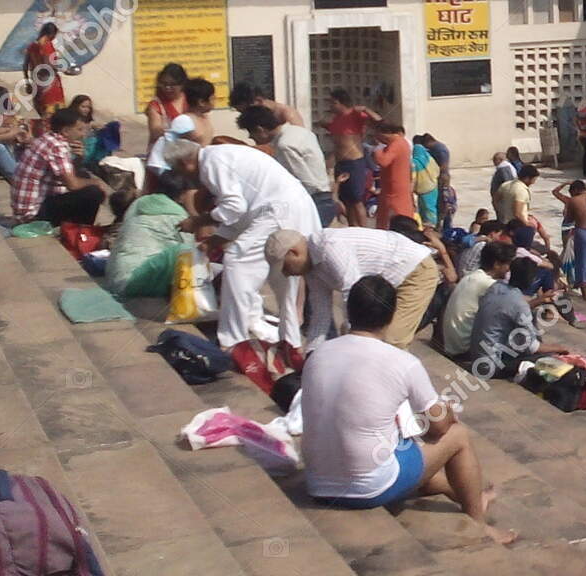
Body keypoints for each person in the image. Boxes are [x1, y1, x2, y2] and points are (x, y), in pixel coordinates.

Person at [299, 275, 515, 544]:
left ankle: (470, 495)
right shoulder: (402, 361)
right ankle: (480, 525)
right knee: (457, 436)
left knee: (408, 451)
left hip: (318, 482)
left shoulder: (318, 353)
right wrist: (446, 411)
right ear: (391, 316)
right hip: (366, 487)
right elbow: (438, 426)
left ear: (348, 311)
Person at [164, 140, 321, 393]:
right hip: (287, 209)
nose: (186, 179)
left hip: (278, 211)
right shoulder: (220, 156)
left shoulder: (211, 162)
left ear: (186, 163)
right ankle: (290, 342)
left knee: (237, 260)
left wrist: (199, 220)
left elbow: (234, 206)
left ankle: (233, 340)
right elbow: (243, 212)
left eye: (181, 172)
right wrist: (215, 239)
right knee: (284, 278)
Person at [267, 226, 435, 352]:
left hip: (414, 270)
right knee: (365, 340)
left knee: (389, 341)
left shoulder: (328, 247)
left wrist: (352, 340)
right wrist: (312, 354)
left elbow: (354, 291)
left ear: (294, 252)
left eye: (285, 267)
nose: (287, 274)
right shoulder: (312, 271)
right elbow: (321, 315)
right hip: (382, 285)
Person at [237, 105, 336, 227]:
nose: (250, 137)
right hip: (323, 197)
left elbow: (305, 182)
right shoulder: (298, 131)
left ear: (260, 129)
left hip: (314, 202)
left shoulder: (284, 145)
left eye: (250, 132)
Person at [11, 108, 109, 225]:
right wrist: (96, 182)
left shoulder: (47, 138)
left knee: (83, 176)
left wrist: (79, 158)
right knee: (93, 193)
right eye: (79, 130)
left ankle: (76, 226)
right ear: (66, 131)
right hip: (33, 215)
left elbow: (69, 174)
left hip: (28, 206)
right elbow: (73, 184)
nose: (82, 134)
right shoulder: (57, 146)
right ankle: (81, 230)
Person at [439, 241, 516, 358]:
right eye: (508, 265)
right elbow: (515, 310)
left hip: (452, 343)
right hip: (464, 349)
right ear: (497, 264)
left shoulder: (471, 276)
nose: (509, 270)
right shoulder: (488, 284)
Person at [324, 90, 380, 228]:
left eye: (333, 102)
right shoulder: (336, 119)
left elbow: (379, 121)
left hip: (354, 162)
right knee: (346, 200)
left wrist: (366, 109)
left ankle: (363, 228)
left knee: (356, 199)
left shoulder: (354, 115)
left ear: (340, 102)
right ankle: (352, 227)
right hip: (340, 163)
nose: (330, 105)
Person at [553, 179, 586, 303]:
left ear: (576, 190)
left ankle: (585, 296)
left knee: (582, 263)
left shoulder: (573, 201)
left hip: (581, 232)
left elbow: (569, 218)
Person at [371, 124, 414, 229]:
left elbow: (383, 161)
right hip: (392, 188)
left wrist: (377, 150)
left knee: (397, 219)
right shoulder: (401, 143)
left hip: (394, 190)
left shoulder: (396, 144)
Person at [23, 23, 66, 117]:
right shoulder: (47, 44)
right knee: (53, 113)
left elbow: (25, 65)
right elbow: (48, 65)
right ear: (52, 34)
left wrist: (27, 82)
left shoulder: (32, 46)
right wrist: (63, 69)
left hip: (36, 82)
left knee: (41, 110)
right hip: (49, 83)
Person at [145, 63, 189, 148]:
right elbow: (155, 131)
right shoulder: (156, 105)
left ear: (182, 84)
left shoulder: (191, 99)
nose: (168, 88)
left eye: (172, 85)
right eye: (164, 84)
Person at [227, 82, 304, 127]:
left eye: (246, 111)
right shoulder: (258, 118)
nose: (246, 115)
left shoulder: (287, 114)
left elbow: (299, 139)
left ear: (258, 101)